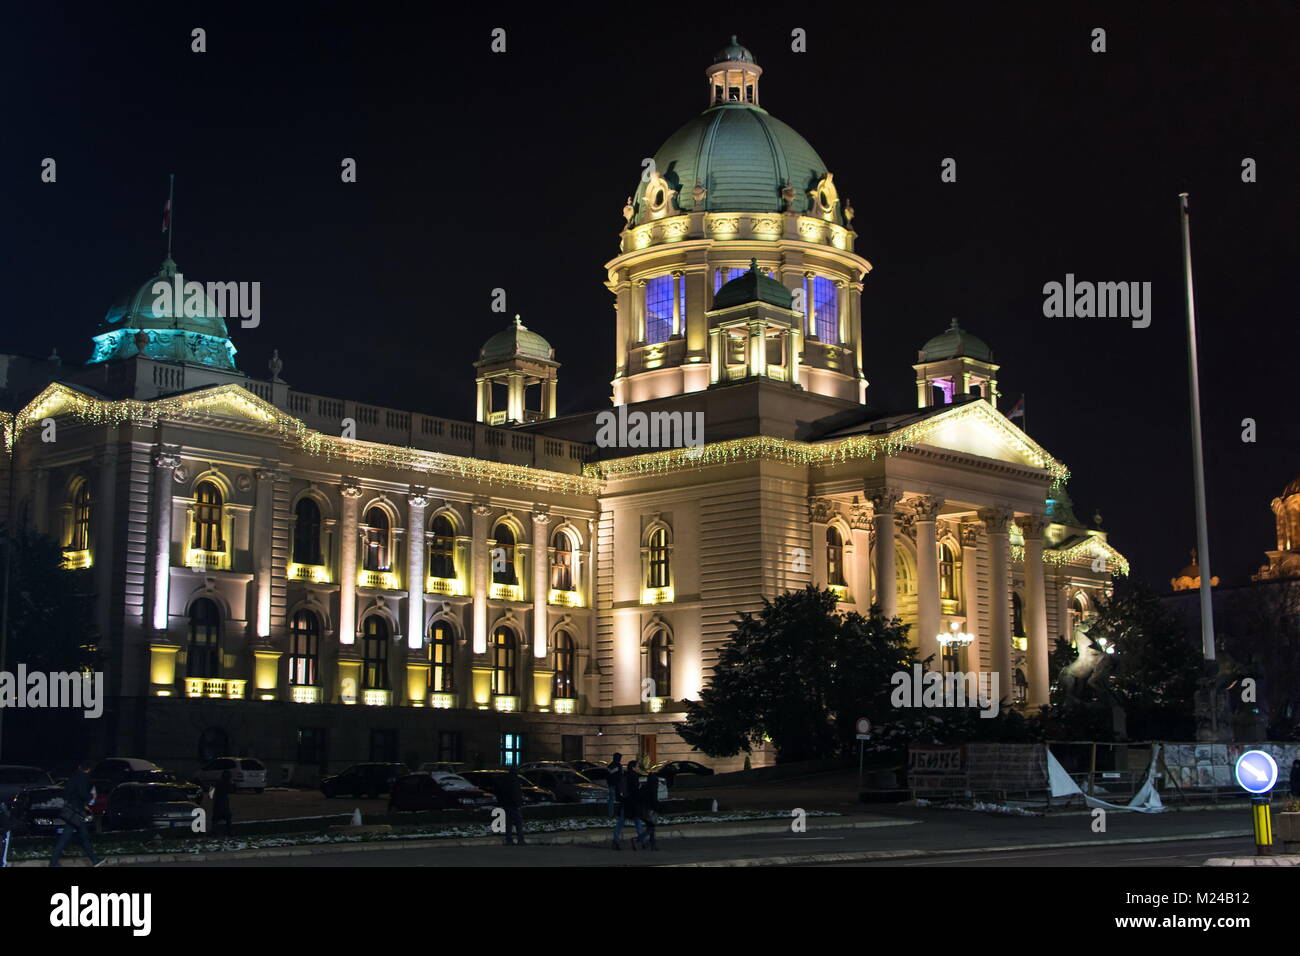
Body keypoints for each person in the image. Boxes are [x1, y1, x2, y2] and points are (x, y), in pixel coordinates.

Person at [50, 760, 103, 867]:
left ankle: (94, 860)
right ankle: (53, 863)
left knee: (83, 836)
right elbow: (82, 794)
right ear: (88, 769)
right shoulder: (82, 778)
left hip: (72, 810)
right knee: (67, 838)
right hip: (76, 811)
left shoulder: (73, 777)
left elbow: (67, 793)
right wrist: (91, 797)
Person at [613, 759, 647, 850]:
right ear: (633, 768)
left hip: (625, 802)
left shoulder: (625, 776)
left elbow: (622, 790)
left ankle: (615, 841)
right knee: (637, 822)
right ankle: (643, 841)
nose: (638, 768)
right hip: (633, 803)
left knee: (621, 822)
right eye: (637, 766)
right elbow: (635, 791)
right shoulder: (634, 777)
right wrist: (642, 789)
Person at [499, 766, 526, 845]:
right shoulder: (515, 780)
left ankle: (509, 840)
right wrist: (518, 803)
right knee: (519, 822)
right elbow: (515, 793)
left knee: (509, 823)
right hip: (513, 805)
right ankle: (520, 840)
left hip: (507, 804)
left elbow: (502, 792)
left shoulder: (505, 779)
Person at [638, 773, 661, 851]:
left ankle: (652, 845)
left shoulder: (644, 787)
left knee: (651, 828)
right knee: (651, 828)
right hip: (650, 811)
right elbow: (654, 800)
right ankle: (639, 839)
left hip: (644, 810)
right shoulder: (653, 788)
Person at [212, 769, 234, 837]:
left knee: (216, 819)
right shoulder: (227, 783)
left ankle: (214, 832)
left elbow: (211, 792)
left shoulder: (218, 782)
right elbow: (231, 790)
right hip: (223, 802)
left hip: (218, 802)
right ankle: (229, 832)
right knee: (227, 817)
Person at [605, 752, 622, 818]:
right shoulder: (618, 765)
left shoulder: (609, 766)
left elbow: (607, 776)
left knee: (611, 800)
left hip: (611, 785)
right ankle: (618, 813)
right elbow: (620, 776)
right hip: (617, 785)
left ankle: (611, 814)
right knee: (619, 800)